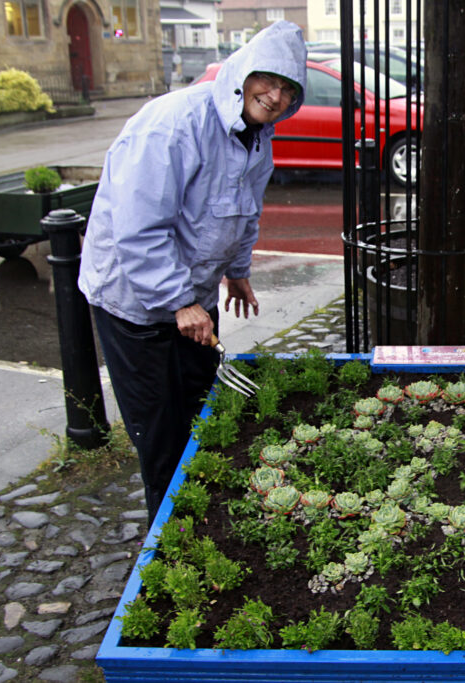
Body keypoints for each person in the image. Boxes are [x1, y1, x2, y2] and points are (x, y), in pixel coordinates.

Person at [79, 21, 307, 525]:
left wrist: (239, 271)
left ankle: (204, 507)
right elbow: (137, 228)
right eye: (268, 79)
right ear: (242, 72)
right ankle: (173, 537)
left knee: (202, 408)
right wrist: (179, 301)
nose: (275, 96)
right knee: (160, 430)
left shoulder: (257, 137)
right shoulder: (174, 123)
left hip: (194, 294)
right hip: (134, 301)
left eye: (289, 89)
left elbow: (244, 211)